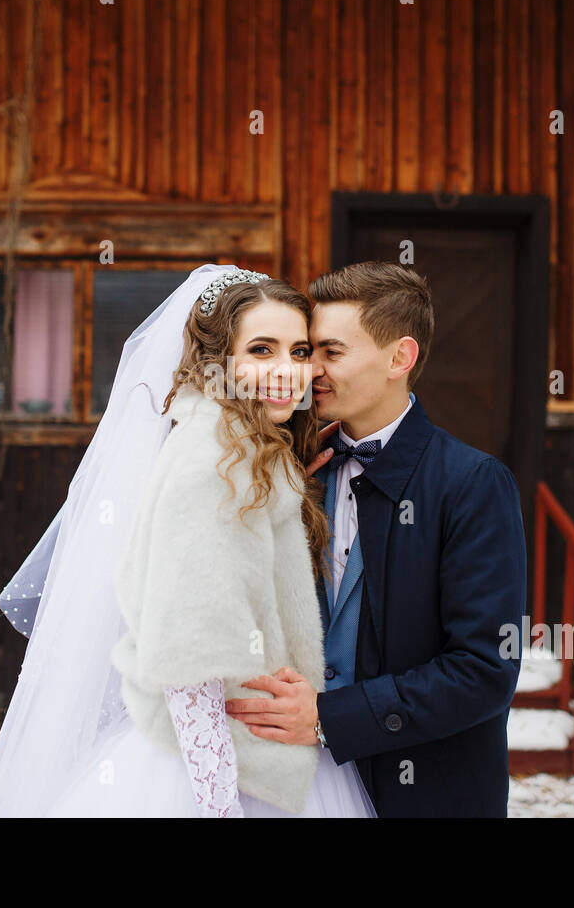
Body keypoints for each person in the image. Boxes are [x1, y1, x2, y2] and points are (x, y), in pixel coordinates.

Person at [0, 265, 375, 817]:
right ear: (220, 364)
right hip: (216, 767)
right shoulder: (212, 462)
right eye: (262, 350)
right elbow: (188, 656)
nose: (288, 371)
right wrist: (217, 802)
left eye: (300, 352)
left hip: (263, 747)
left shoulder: (245, 453)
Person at [225, 260, 527, 817]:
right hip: (301, 791)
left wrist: (328, 717)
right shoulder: (293, 469)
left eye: (330, 352)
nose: (309, 369)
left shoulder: (473, 484)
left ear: (400, 358)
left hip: (428, 796)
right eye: (307, 350)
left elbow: (485, 670)